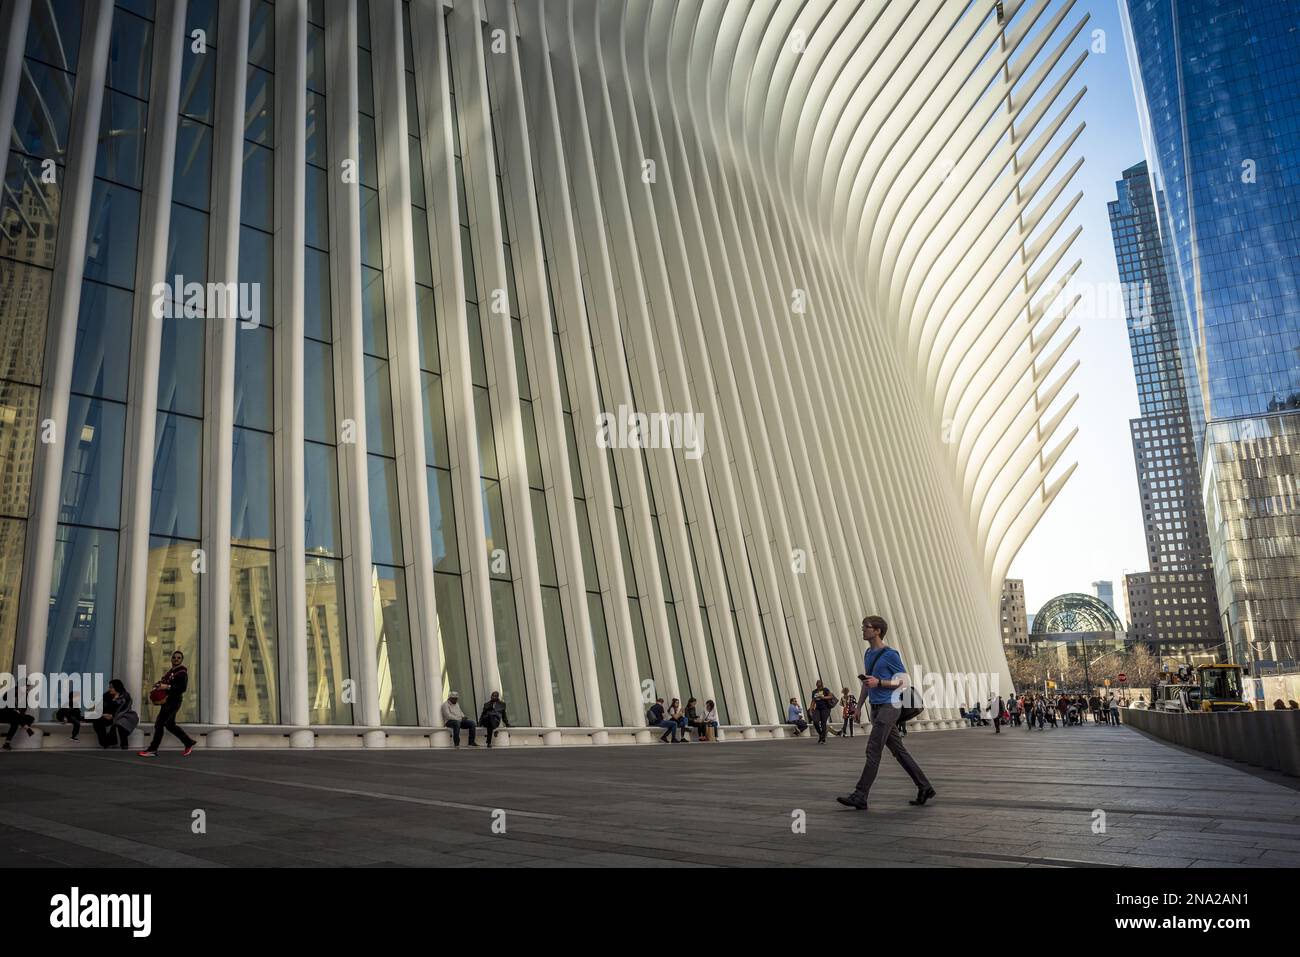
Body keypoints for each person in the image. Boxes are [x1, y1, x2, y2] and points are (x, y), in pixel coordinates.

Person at [837, 615, 934, 811]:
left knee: (873, 750)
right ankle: (925, 787)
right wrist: (858, 706)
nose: (863, 630)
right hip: (875, 708)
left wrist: (880, 683)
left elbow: (904, 682)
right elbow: (867, 682)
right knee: (899, 751)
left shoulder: (890, 654)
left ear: (877, 631)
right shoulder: (867, 654)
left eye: (866, 627)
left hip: (890, 707)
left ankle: (860, 795)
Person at [139, 650, 197, 757]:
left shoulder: (182, 673)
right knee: (169, 725)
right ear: (171, 659)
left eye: (179, 658)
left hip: (174, 702)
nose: (176, 659)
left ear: (181, 660)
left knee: (159, 724)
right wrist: (158, 685)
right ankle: (188, 742)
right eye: (174, 657)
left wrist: (167, 687)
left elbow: (182, 688)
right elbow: (165, 684)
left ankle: (153, 749)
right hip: (167, 701)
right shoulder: (170, 672)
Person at [92, 680, 138, 750]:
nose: (109, 689)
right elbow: (99, 707)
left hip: (123, 716)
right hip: (107, 716)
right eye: (109, 687)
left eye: (111, 687)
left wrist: (113, 716)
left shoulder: (125, 696)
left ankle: (124, 744)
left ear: (117, 687)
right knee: (97, 722)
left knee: (121, 723)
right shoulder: (106, 695)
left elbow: (124, 709)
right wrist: (103, 714)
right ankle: (105, 742)